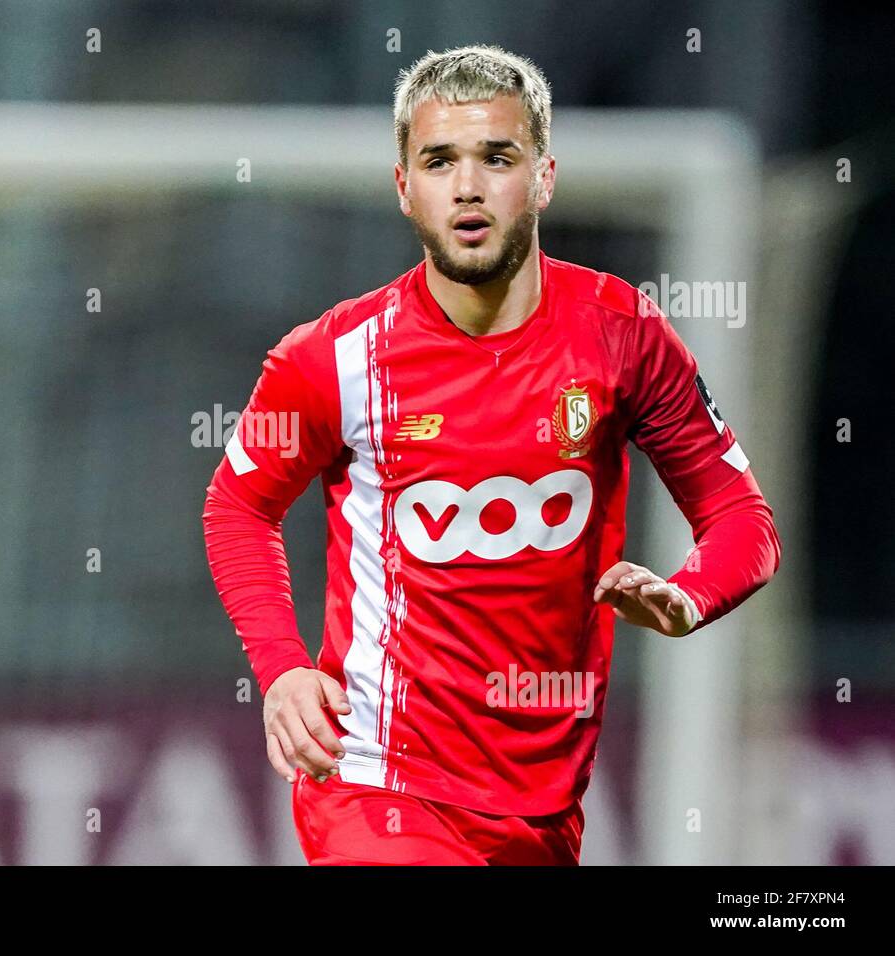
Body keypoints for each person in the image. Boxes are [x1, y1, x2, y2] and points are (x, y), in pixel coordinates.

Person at [201, 44, 780, 865]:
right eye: (439, 161)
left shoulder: (623, 335)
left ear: (543, 177)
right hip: (377, 781)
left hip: (543, 807)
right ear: (406, 188)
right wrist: (283, 668)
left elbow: (740, 517)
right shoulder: (333, 357)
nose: (467, 186)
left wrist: (688, 598)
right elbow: (238, 504)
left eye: (496, 158)